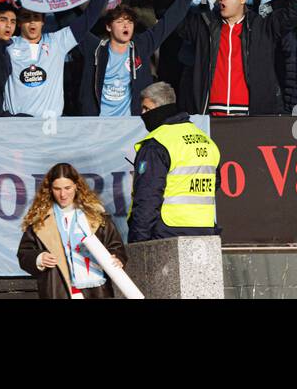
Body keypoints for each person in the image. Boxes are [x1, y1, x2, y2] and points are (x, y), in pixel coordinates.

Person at [182, 0, 297, 116]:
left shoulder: (262, 27)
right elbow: (168, 15)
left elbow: (293, 13)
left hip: (251, 118)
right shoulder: (204, 24)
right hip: (209, 116)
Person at [17, 162, 126, 300]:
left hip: (96, 292)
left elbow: (115, 246)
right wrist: (39, 258)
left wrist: (117, 258)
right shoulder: (40, 221)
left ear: (76, 186)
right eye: (57, 189)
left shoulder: (96, 216)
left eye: (67, 188)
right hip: (58, 290)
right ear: (50, 189)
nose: (63, 194)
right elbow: (24, 253)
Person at [79, 0, 197, 117]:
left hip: (131, 125)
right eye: (120, 22)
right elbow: (74, 26)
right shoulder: (95, 48)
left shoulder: (141, 46)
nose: (126, 26)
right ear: (108, 27)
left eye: (129, 22)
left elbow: (167, 23)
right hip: (97, 124)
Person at [128, 83, 220, 243]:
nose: (142, 114)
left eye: (146, 109)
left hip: (167, 232)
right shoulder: (206, 140)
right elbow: (215, 183)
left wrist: (138, 243)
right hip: (205, 231)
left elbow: (147, 197)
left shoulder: (157, 143)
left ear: (159, 107)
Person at [4, 0, 108, 118]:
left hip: (49, 127)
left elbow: (89, 16)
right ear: (19, 22)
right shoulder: (7, 45)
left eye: (36, 17)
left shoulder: (57, 42)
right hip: (15, 125)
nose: (32, 22)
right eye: (26, 17)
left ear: (43, 21)